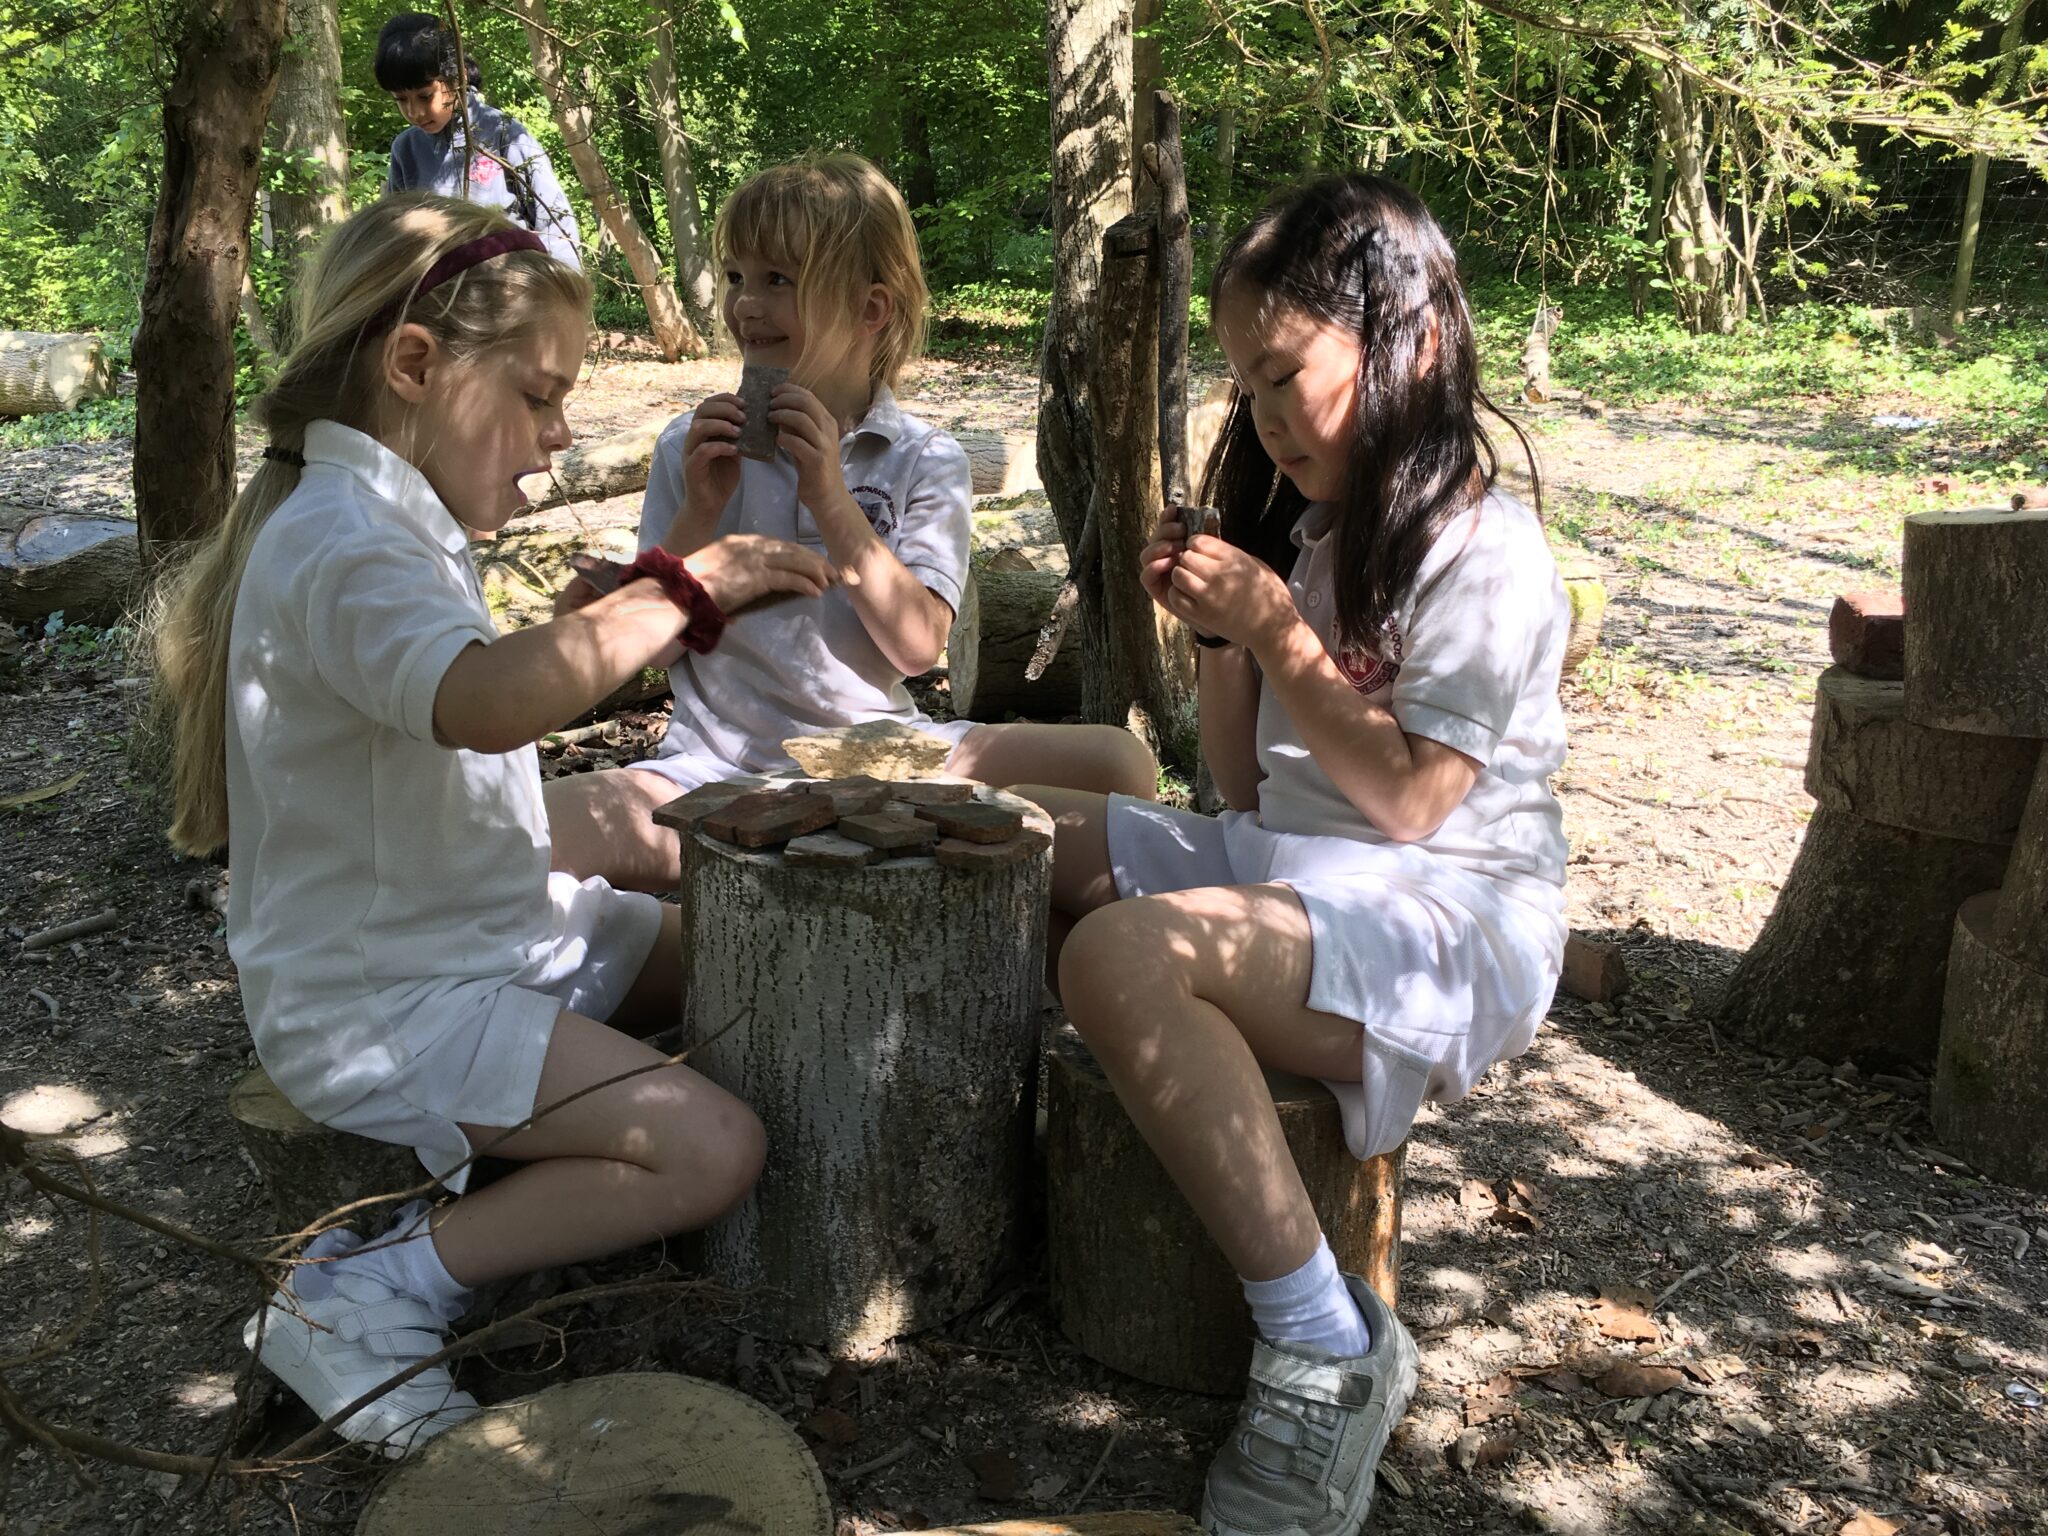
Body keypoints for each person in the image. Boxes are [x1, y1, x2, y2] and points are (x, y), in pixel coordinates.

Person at [152, 195, 835, 1456]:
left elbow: (479, 686)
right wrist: (685, 587)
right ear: (416, 366)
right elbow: (482, 702)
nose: (560, 433)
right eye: (537, 396)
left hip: (489, 936)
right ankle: (366, 1292)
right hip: (388, 1007)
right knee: (711, 1150)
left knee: (757, 958)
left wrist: (607, 606)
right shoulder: (345, 542)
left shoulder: (382, 517)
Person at [1017, 174, 1569, 1536]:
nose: (1262, 416)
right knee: (1013, 836)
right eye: (1246, 386)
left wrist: (1276, 631)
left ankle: (1322, 1337)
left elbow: (1413, 801)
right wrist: (1222, 636)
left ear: (1410, 347)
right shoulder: (1317, 536)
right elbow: (1242, 782)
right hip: (1305, 867)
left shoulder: (1487, 555)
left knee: (1121, 959)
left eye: (1284, 376)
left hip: (1448, 915)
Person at [545, 154, 1156, 894]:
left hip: (886, 759)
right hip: (716, 770)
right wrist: (700, 511)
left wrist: (833, 501)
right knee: (546, 828)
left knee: (1119, 763)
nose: (745, 305)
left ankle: (961, 886)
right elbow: (649, 644)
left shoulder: (924, 458)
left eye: (779, 279)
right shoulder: (691, 447)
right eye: (736, 276)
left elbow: (917, 648)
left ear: (871, 311)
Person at [375, 12, 582, 270]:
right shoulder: (405, 150)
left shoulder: (504, 133)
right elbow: (396, 235)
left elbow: (554, 220)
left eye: (425, 96)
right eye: (401, 99)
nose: (414, 112)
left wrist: (567, 282)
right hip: (439, 287)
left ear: (458, 77)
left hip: (511, 280)